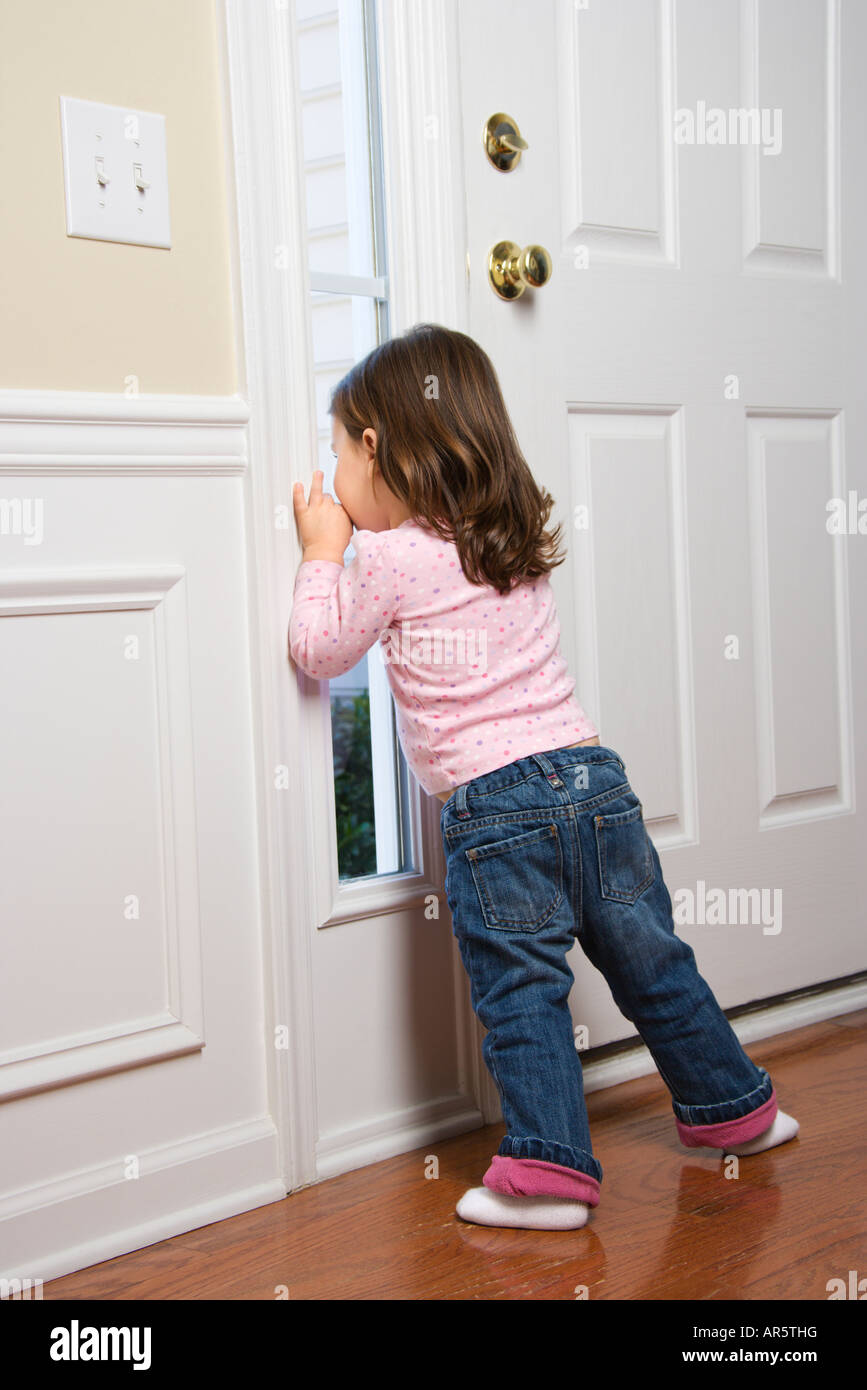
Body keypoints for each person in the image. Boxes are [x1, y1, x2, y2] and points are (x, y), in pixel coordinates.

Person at [289, 322, 799, 1231]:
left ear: (376, 446)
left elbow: (321, 651)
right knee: (651, 962)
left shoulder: (391, 556)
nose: (331, 480)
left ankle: (551, 1170)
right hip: (592, 782)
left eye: (337, 455)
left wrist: (322, 551)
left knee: (522, 988)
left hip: (496, 809)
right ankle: (734, 1108)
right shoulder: (504, 529)